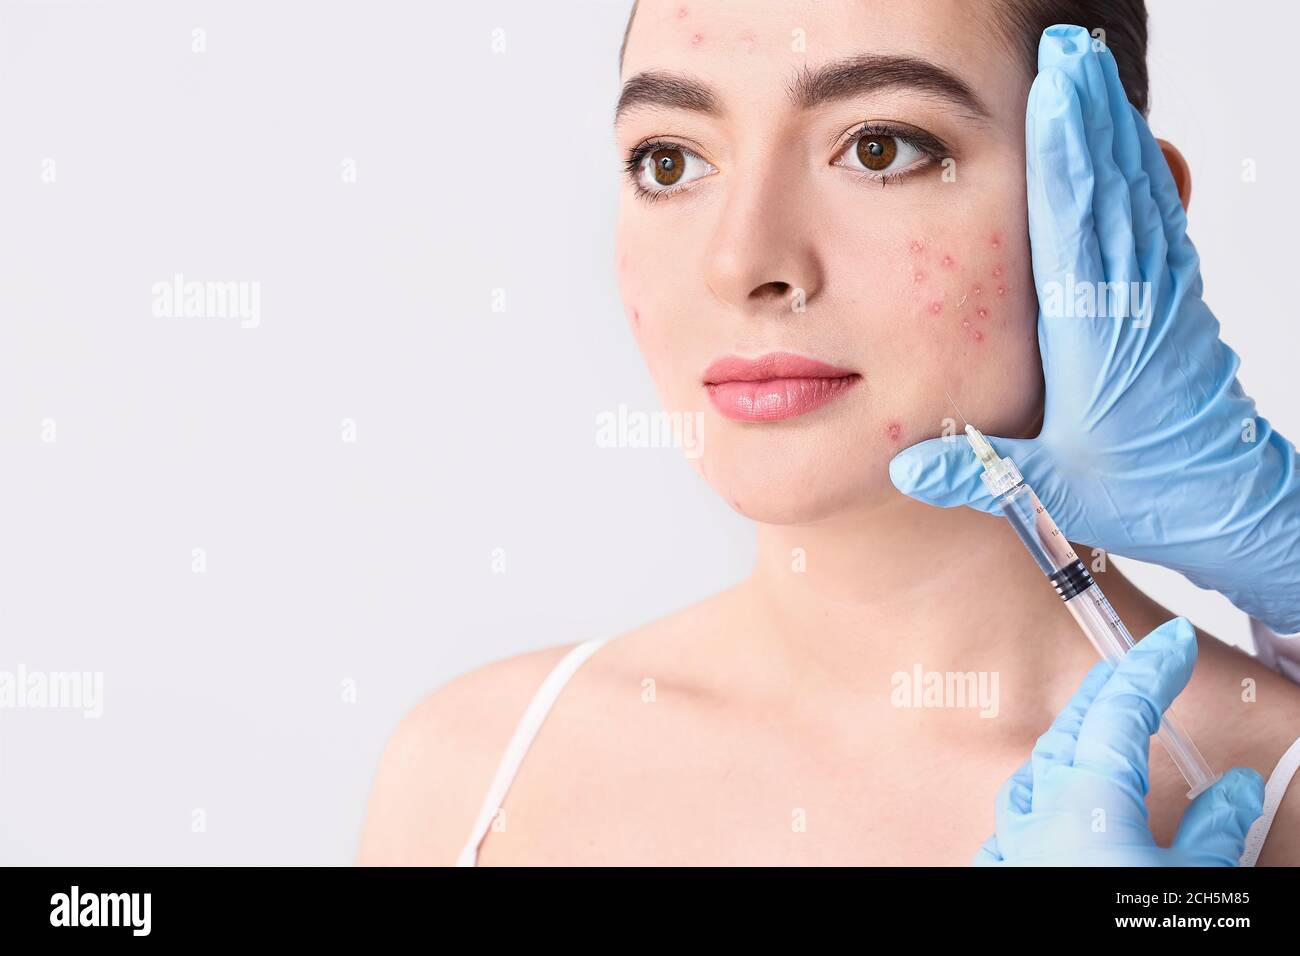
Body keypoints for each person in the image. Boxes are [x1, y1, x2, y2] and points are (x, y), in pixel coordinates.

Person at [357, 1, 1300, 866]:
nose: (742, 261)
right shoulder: (476, 773)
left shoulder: (1270, 796)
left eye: (881, 149)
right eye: (669, 161)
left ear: (1126, 215)